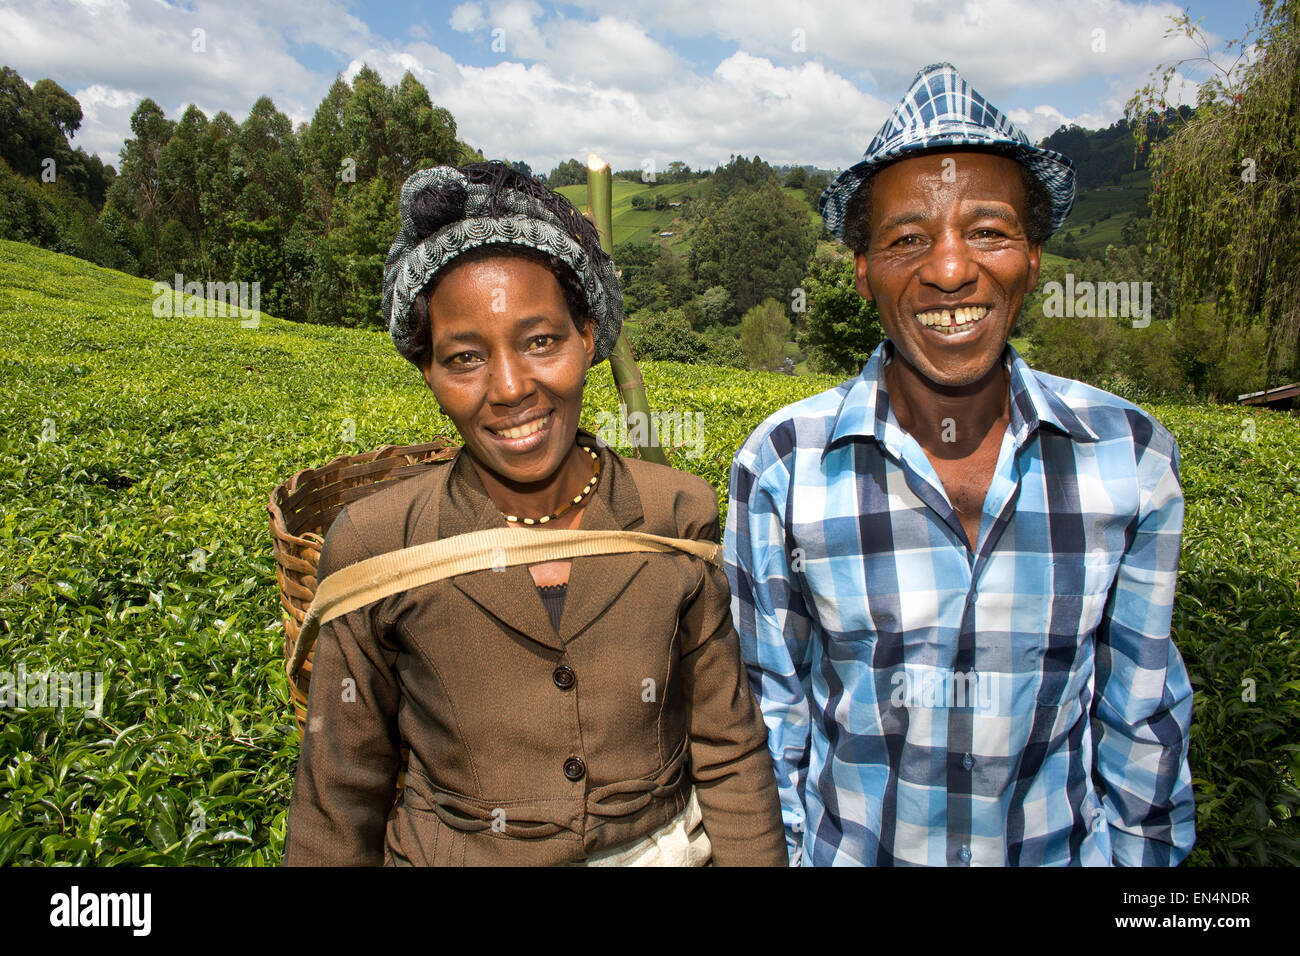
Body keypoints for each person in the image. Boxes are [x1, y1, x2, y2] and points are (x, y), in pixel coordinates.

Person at [724, 63, 1194, 866]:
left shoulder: (1130, 455)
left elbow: (1141, 718)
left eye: (987, 230)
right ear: (864, 269)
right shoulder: (781, 467)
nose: (949, 269)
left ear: (1033, 258)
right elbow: (770, 723)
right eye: (908, 238)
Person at [283, 161, 786, 866]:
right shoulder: (378, 544)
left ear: (587, 336)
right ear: (427, 371)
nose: (511, 388)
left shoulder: (678, 515)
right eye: (463, 357)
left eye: (541, 341)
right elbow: (339, 796)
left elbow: (730, 751)